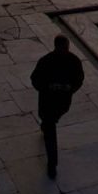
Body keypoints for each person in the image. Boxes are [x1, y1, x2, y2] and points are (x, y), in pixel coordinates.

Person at [30, 34, 84, 179]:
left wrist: (69, 88)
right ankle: (52, 164)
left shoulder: (73, 61)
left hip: (62, 102)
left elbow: (79, 80)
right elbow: (35, 80)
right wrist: (49, 87)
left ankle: (45, 126)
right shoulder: (46, 61)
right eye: (63, 48)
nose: (65, 50)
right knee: (50, 128)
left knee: (50, 122)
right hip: (48, 101)